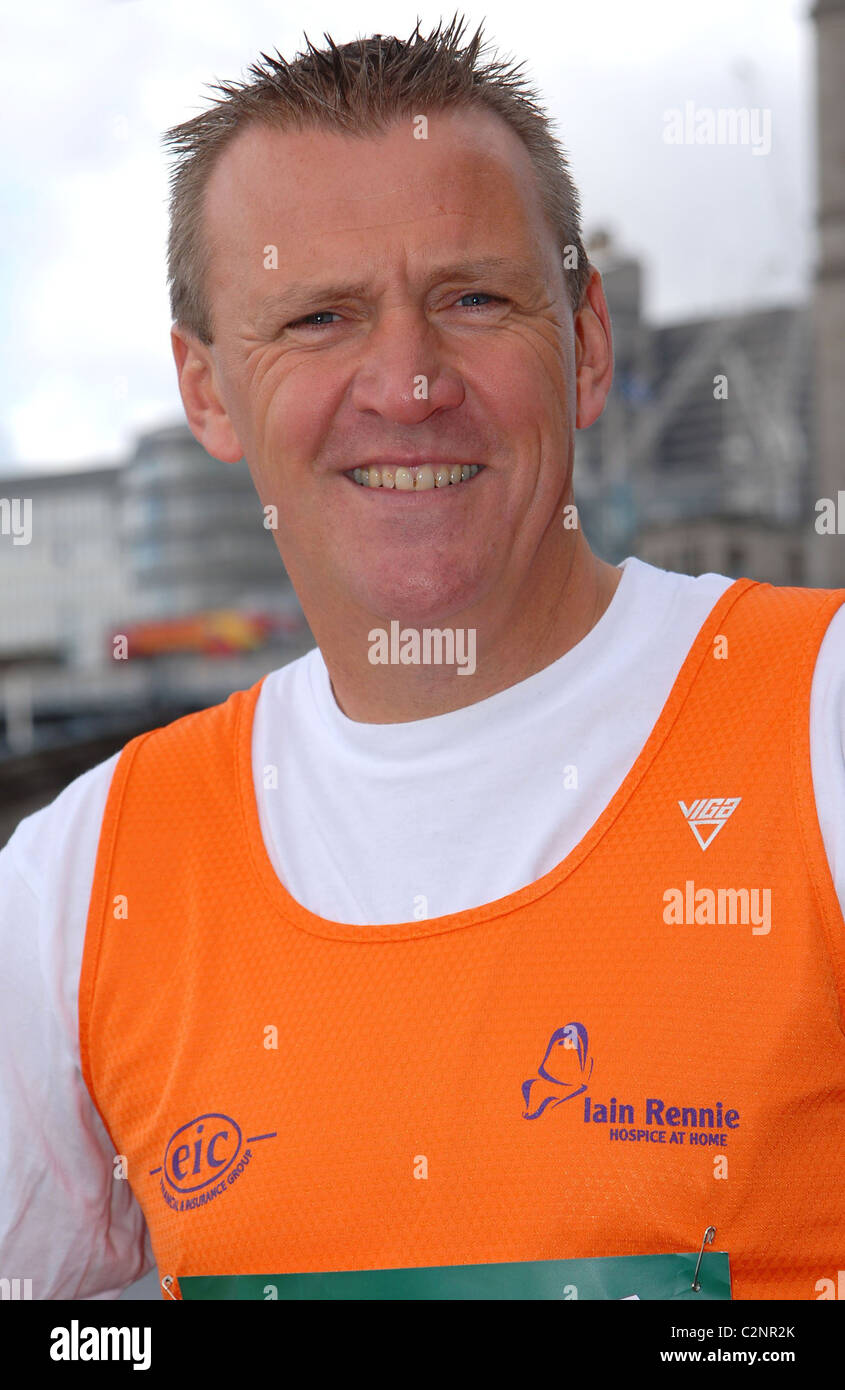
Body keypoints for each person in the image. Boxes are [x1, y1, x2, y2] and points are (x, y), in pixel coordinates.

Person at [1, 16, 843, 1302]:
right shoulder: (80, 881)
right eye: (319, 316)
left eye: (471, 298)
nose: (405, 381)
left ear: (588, 342)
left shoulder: (820, 723)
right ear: (208, 391)